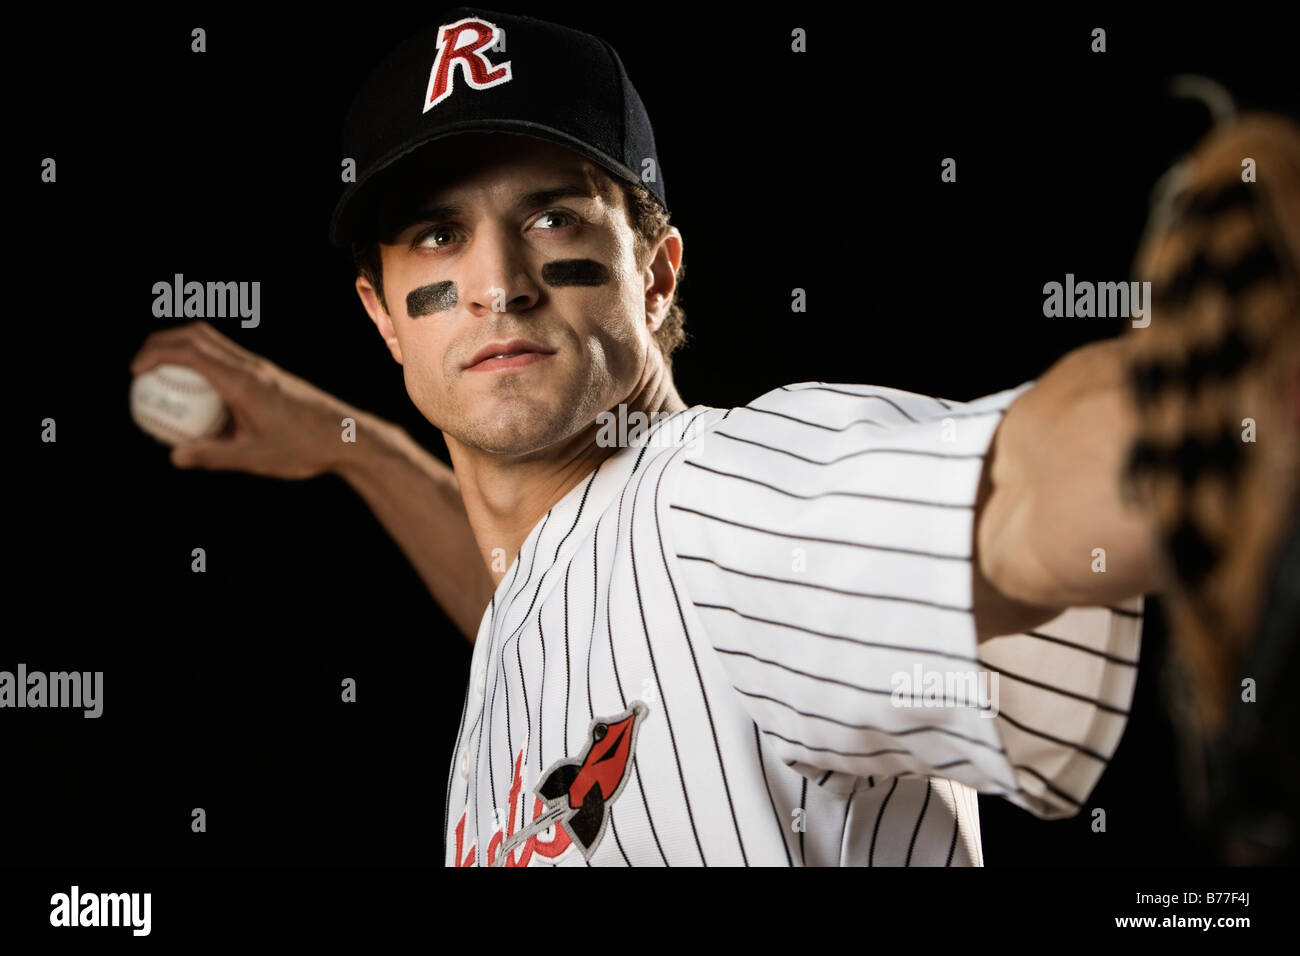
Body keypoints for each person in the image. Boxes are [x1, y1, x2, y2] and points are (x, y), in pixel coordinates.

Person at [128, 9, 1290, 865]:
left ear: (659, 270)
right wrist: (351, 445)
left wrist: (1212, 402)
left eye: (553, 215)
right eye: (436, 236)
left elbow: (1022, 495)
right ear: (380, 315)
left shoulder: (718, 507)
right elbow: (528, 595)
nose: (496, 282)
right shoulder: (558, 579)